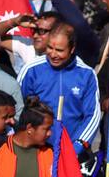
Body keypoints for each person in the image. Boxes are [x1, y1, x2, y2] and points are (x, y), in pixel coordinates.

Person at [17, 22, 101, 152]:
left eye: (60, 50)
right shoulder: (31, 70)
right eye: (50, 48)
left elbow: (92, 115)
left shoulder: (86, 74)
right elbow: (18, 108)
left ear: (72, 48)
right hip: (36, 150)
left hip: (72, 151)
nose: (53, 54)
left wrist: (78, 146)